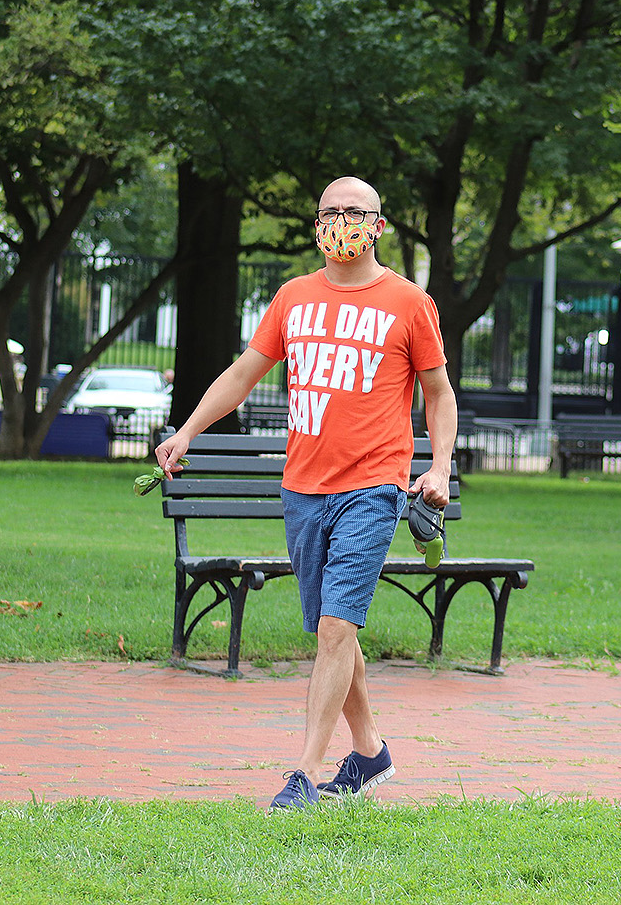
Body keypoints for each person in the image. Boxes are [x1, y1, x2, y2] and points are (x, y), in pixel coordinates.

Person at [154, 176, 457, 810]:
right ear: (315, 223)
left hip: (374, 485)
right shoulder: (294, 298)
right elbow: (243, 373)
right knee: (331, 631)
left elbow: (437, 392)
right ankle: (371, 753)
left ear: (378, 224)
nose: (342, 222)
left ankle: (306, 775)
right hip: (302, 489)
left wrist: (439, 466)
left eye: (356, 212)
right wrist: (187, 432)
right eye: (331, 212)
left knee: (334, 629)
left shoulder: (408, 302)